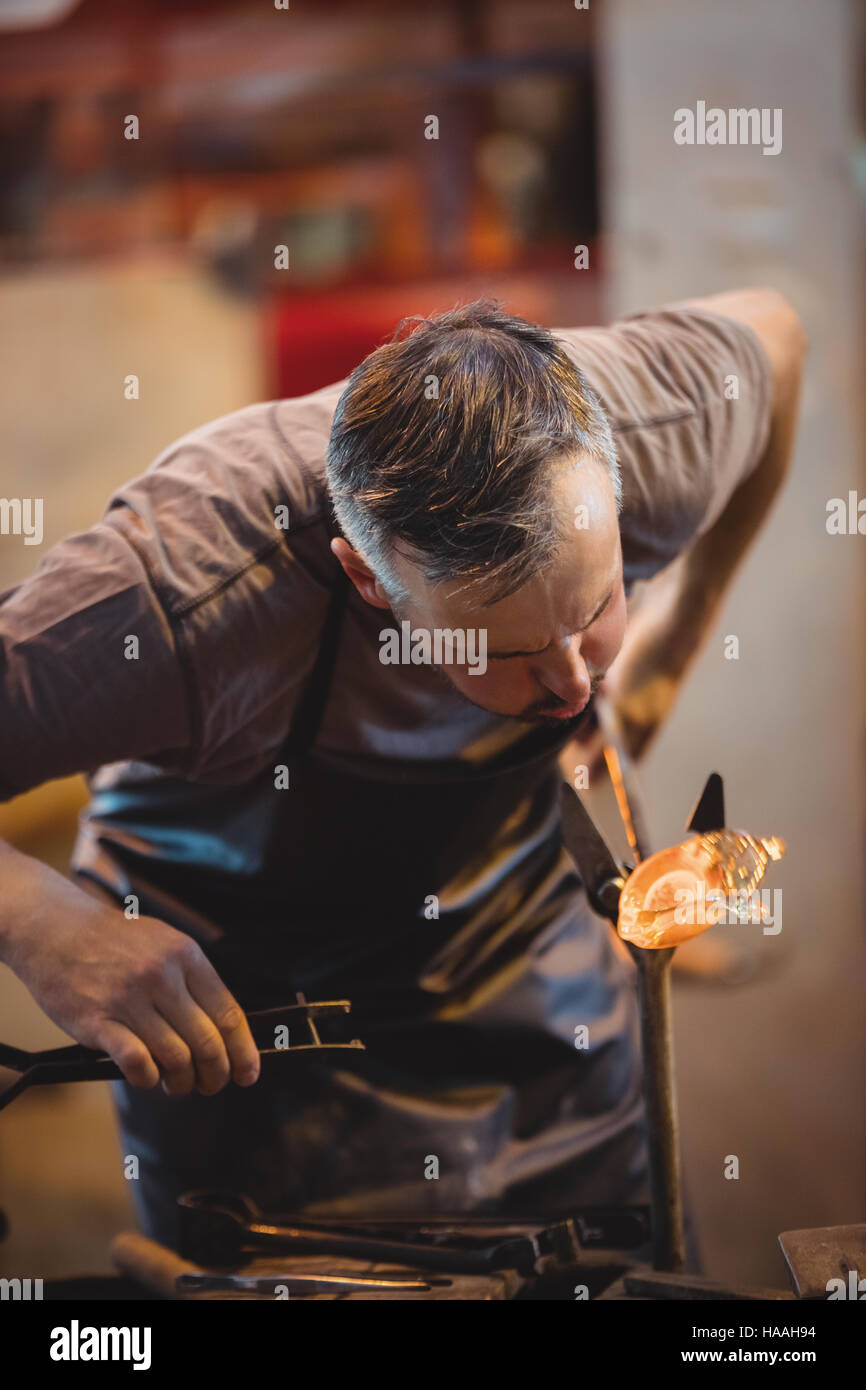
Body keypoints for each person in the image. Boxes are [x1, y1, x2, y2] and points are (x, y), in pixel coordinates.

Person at [0, 290, 805, 1247]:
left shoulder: (659, 422)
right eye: (503, 651)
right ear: (369, 579)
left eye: (591, 613)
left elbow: (779, 339)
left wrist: (676, 640)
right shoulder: (184, 593)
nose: (572, 685)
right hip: (265, 1056)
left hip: (541, 992)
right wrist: (40, 923)